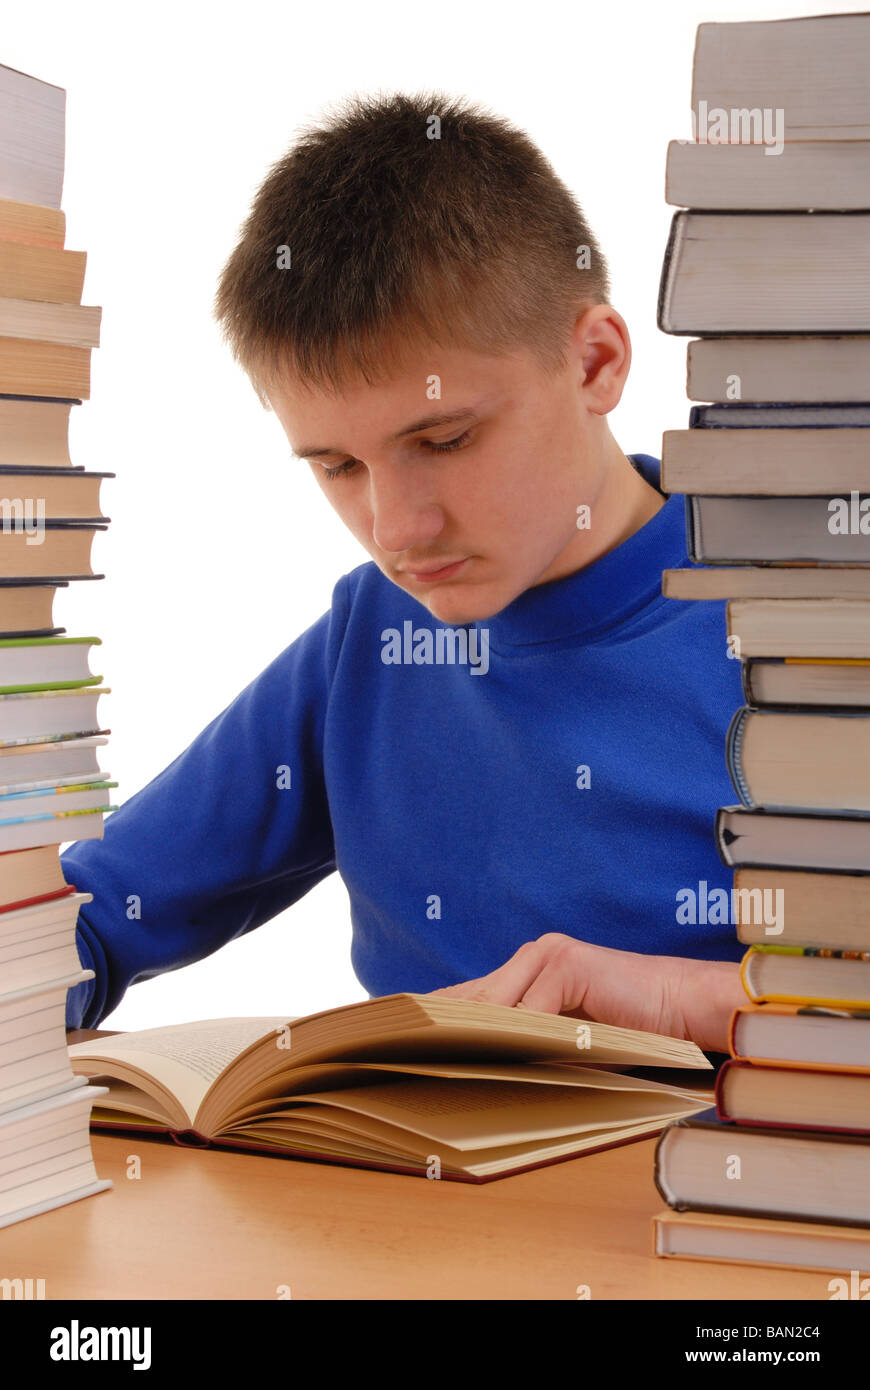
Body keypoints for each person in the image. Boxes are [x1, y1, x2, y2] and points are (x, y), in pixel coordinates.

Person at [63, 90, 747, 1053]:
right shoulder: (375, 637)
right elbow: (89, 919)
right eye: (337, 466)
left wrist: (682, 1002)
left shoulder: (802, 632)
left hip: (714, 1200)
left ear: (595, 362)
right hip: (397, 1198)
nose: (395, 529)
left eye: (444, 438)